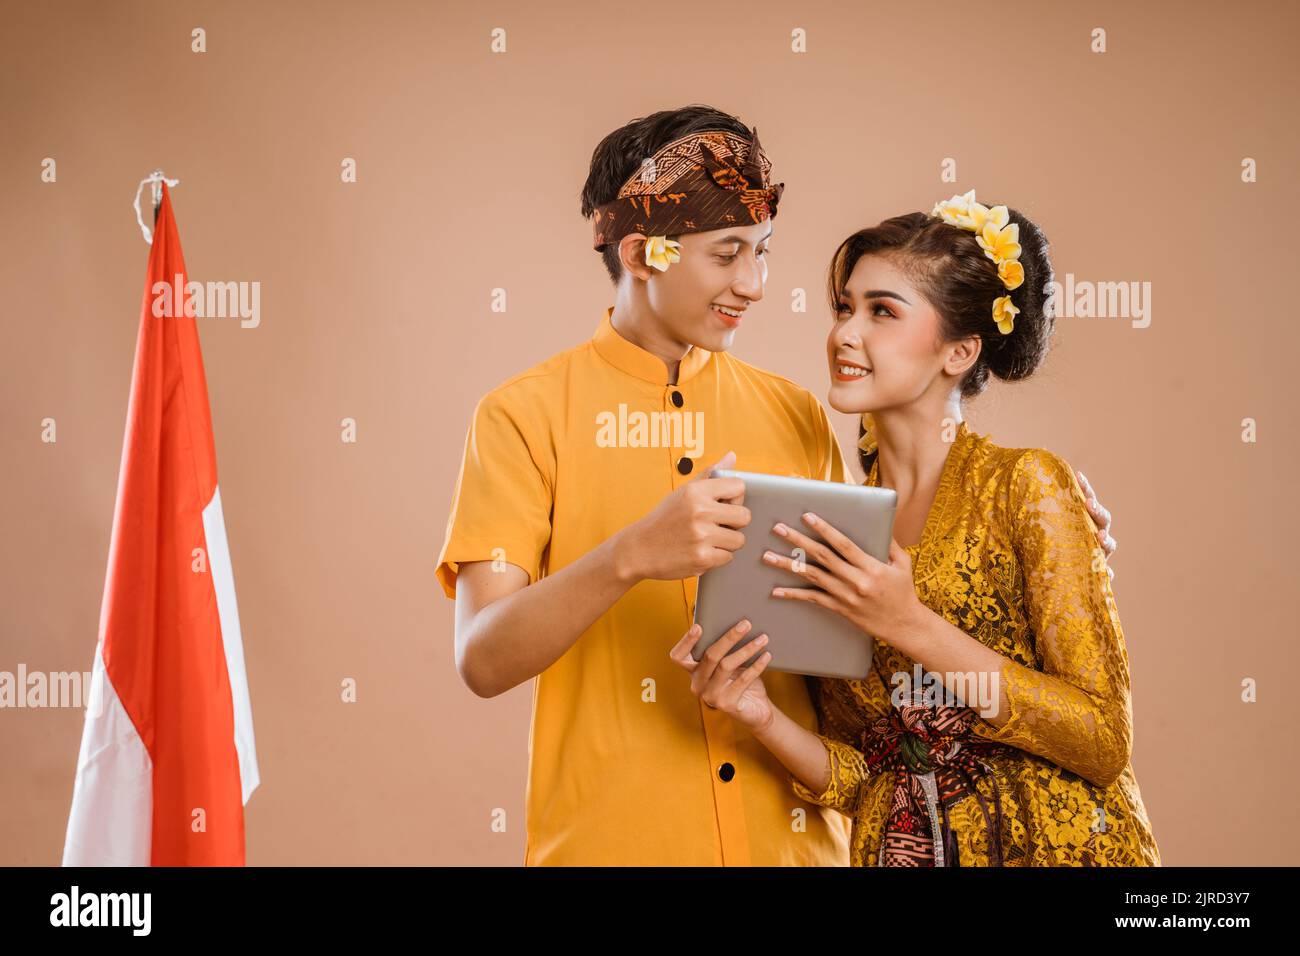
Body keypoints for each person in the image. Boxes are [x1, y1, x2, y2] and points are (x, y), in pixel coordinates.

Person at [436, 105, 1117, 865]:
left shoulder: (795, 414)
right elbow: (484, 658)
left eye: (762, 251)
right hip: (612, 845)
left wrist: (1042, 533)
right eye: (728, 255)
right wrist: (630, 554)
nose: (755, 284)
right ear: (641, 251)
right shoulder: (521, 417)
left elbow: (875, 639)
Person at [671, 190, 1159, 866]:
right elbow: (865, 776)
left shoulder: (1027, 485)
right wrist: (760, 716)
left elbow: (1102, 738)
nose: (845, 333)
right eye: (844, 308)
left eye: (882, 312)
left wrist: (909, 624)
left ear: (958, 351)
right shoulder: (827, 527)